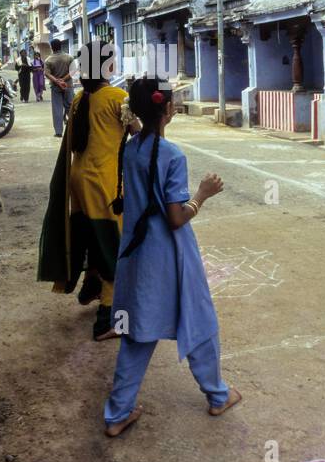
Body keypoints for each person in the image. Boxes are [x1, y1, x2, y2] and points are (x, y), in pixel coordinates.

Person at [102, 77, 240, 438]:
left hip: (135, 254)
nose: (176, 106)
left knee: (137, 332)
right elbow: (176, 217)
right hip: (171, 254)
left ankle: (117, 414)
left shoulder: (130, 149)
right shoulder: (172, 155)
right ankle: (217, 395)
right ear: (167, 110)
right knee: (198, 319)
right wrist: (203, 194)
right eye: (173, 102)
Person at [37, 40, 133, 340]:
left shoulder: (79, 99)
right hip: (102, 183)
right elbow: (140, 133)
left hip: (78, 179)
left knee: (90, 233)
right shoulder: (118, 98)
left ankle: (90, 285)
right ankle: (107, 316)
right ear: (109, 66)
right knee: (111, 243)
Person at [43, 38, 75, 138]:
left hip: (56, 87)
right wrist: (63, 80)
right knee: (70, 107)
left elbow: (47, 74)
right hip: (68, 86)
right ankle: (75, 129)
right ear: (61, 46)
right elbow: (73, 71)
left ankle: (58, 132)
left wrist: (57, 81)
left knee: (57, 109)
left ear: (52, 47)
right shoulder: (69, 57)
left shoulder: (49, 60)